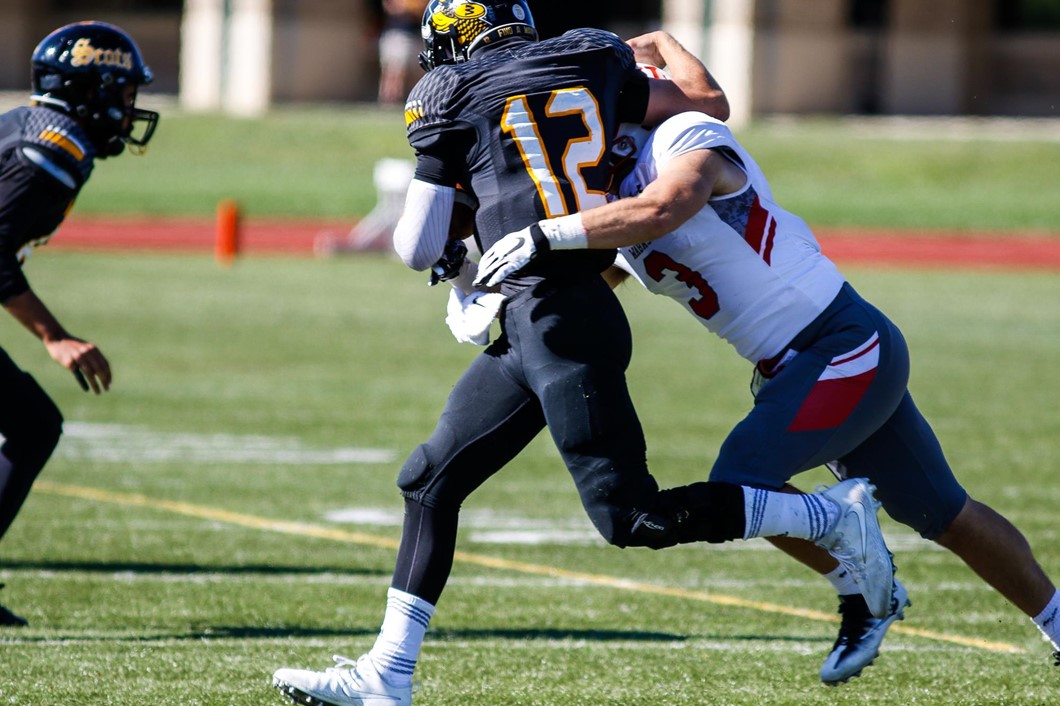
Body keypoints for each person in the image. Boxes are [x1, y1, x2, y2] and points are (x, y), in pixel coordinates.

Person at [270, 6, 898, 705]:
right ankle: (387, 675)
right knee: (429, 481)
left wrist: (456, 259)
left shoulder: (451, 93)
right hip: (542, 316)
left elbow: (415, 245)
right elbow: (703, 102)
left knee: (631, 519)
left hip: (560, 321)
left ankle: (830, 519)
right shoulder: (589, 59)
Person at [474, 91, 1060, 679]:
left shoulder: (682, 137)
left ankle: (861, 590)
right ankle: (893, 597)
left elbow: (664, 206)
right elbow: (588, 289)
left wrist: (550, 234)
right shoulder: (608, 197)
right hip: (801, 366)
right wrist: (491, 300)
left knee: (741, 484)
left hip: (841, 343)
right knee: (943, 512)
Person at [0, 21, 159, 626]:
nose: (128, 110)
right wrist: (54, 336)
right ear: (88, 89)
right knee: (33, 423)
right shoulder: (52, 151)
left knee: (33, 422)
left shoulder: (39, 128)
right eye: (121, 95)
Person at [378, 0, 427, 105]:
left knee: (420, 72)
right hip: (397, 34)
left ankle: (417, 101)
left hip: (416, 35)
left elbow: (424, 11)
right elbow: (391, 7)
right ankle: (389, 103)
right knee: (393, 72)